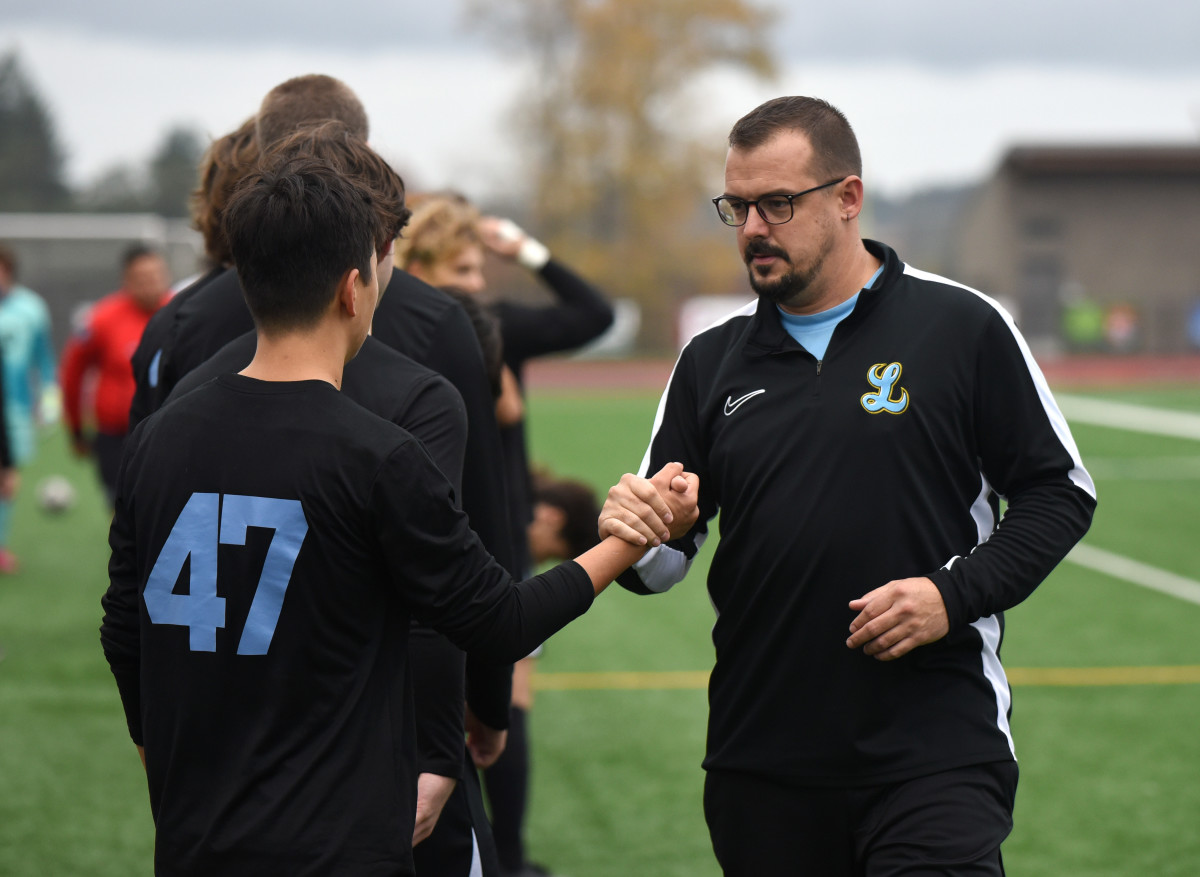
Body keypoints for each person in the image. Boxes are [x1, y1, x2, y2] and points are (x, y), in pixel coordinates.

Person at [100, 150, 698, 877]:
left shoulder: (161, 436)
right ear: (355, 288)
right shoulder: (376, 454)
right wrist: (627, 540)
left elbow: (123, 629)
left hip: (192, 839)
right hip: (336, 841)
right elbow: (497, 620)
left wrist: (159, 758)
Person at [599, 96, 1097, 876]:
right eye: (738, 207)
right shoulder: (710, 361)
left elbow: (1060, 491)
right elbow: (663, 561)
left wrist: (951, 593)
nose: (754, 228)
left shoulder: (961, 326)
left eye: (778, 203)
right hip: (761, 758)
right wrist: (635, 530)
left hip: (934, 749)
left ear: (847, 199)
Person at [398, 193, 614, 877]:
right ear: (418, 263)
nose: (476, 282)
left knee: (507, 696)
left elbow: (594, 315)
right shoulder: (392, 331)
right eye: (462, 267)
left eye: (478, 267)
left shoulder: (489, 323)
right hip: (427, 530)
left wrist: (522, 248)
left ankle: (509, 857)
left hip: (498, 525)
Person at [61, 245, 171, 506]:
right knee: (121, 510)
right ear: (127, 280)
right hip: (116, 437)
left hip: (167, 433)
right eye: (141, 278)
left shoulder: (184, 314)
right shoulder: (102, 318)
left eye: (155, 276)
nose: (150, 284)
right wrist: (76, 430)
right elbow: (72, 374)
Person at [0, 243, 58, 573]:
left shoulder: (31, 309)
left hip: (15, 411)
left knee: (7, 479)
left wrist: (49, 406)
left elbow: (45, 363)